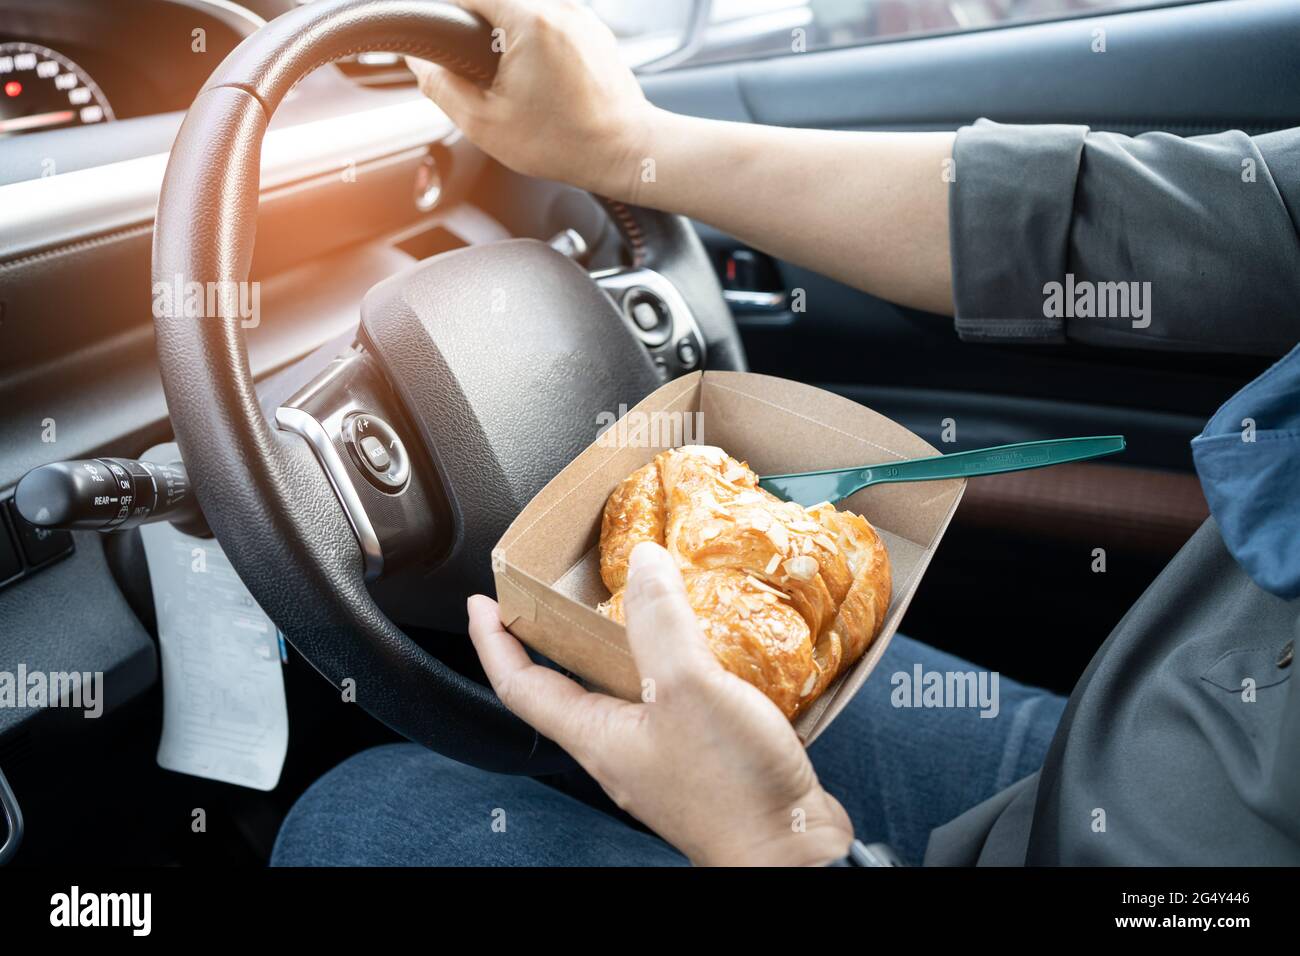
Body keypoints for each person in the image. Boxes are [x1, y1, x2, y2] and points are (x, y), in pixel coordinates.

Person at [272, 0, 1300, 866]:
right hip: (1129, 752)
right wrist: (625, 144)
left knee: (358, 816)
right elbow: (1142, 229)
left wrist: (776, 839)